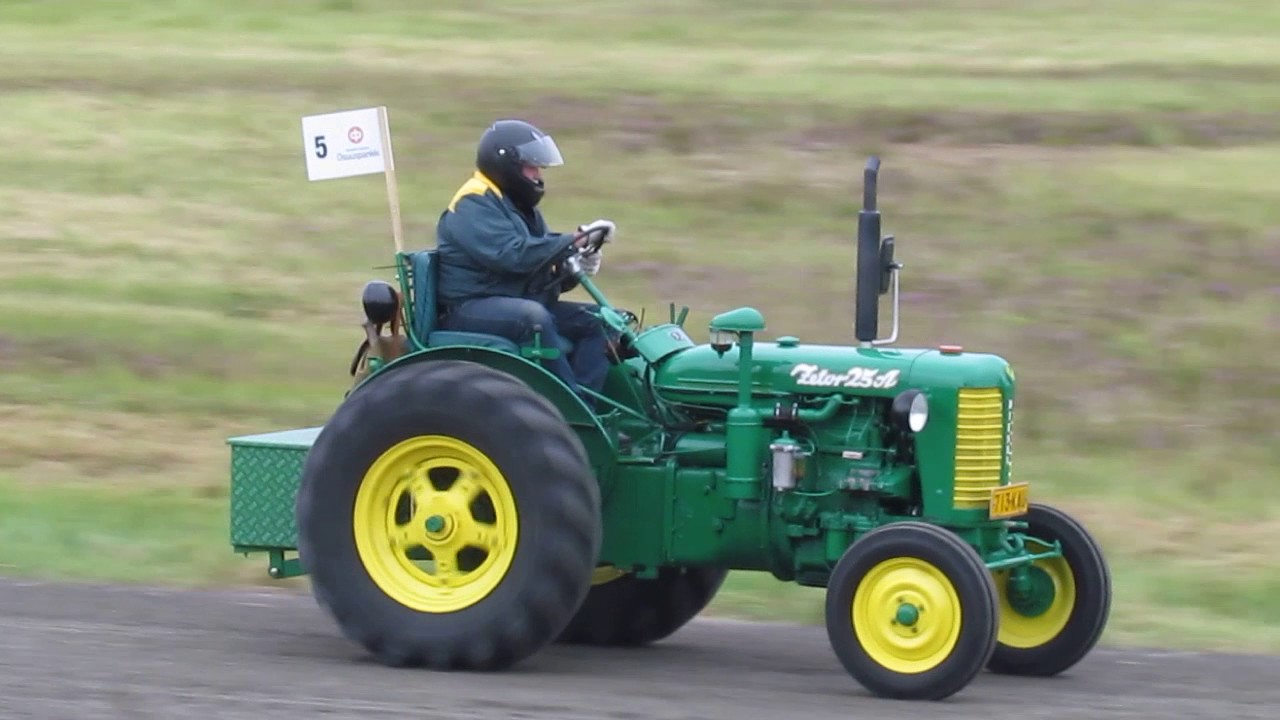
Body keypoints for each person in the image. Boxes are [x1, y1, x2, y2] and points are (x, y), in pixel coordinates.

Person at [434, 118, 616, 406]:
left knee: (604, 322)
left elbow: (539, 269)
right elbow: (513, 256)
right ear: (506, 163)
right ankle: (569, 410)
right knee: (532, 318)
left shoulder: (516, 205)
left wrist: (575, 264)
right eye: (532, 167)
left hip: (507, 299)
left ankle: (593, 408)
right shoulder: (473, 201)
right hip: (470, 305)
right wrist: (572, 241)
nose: (538, 175)